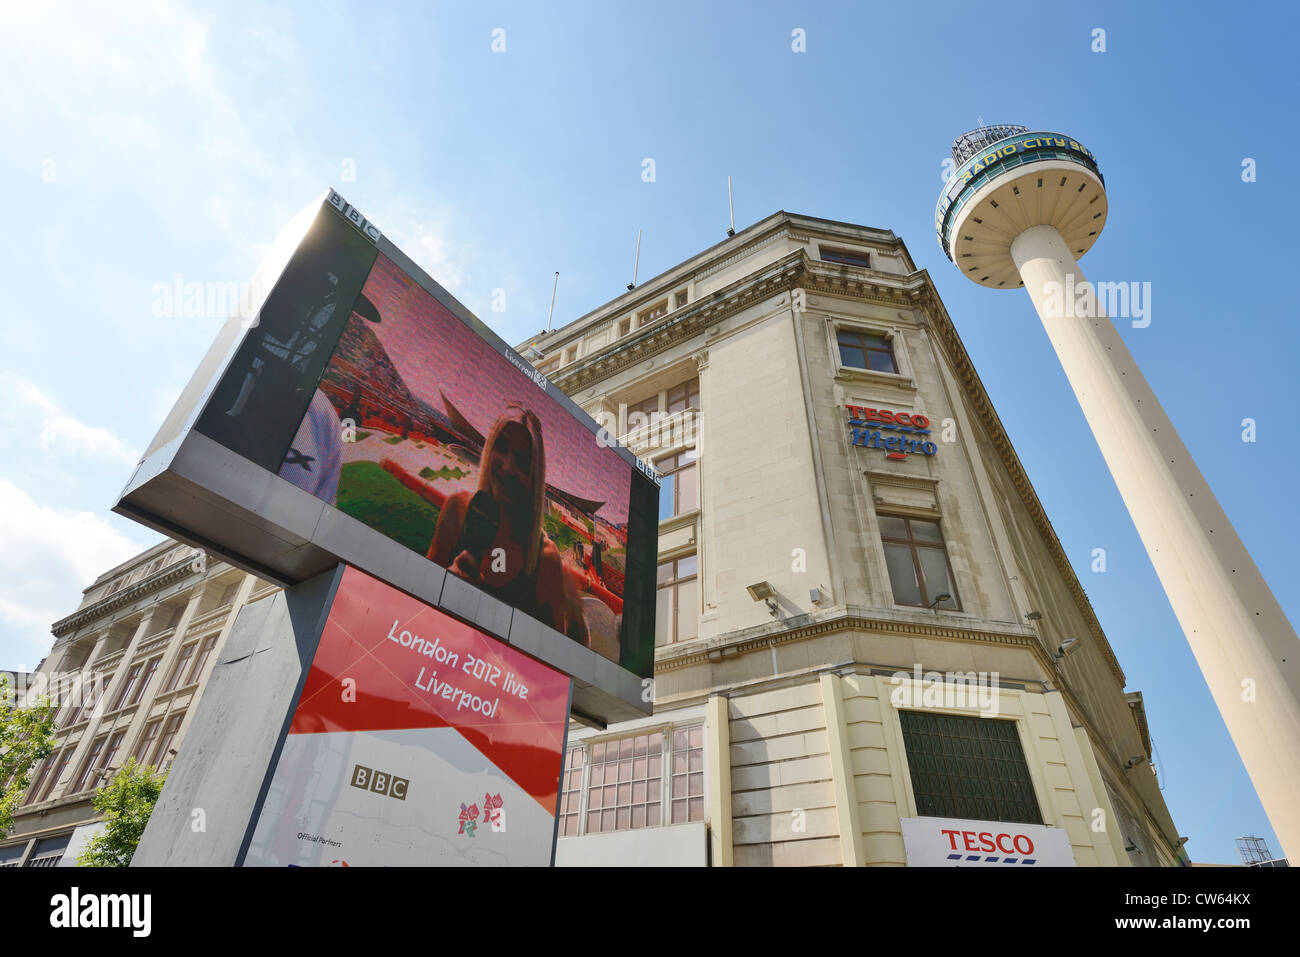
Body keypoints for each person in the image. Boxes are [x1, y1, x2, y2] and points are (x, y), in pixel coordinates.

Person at [427, 403, 589, 645]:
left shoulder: (544, 558)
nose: (508, 467)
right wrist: (446, 585)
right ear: (489, 449)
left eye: (522, 462)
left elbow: (553, 661)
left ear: (535, 476)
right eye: (501, 448)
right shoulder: (457, 510)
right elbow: (416, 603)